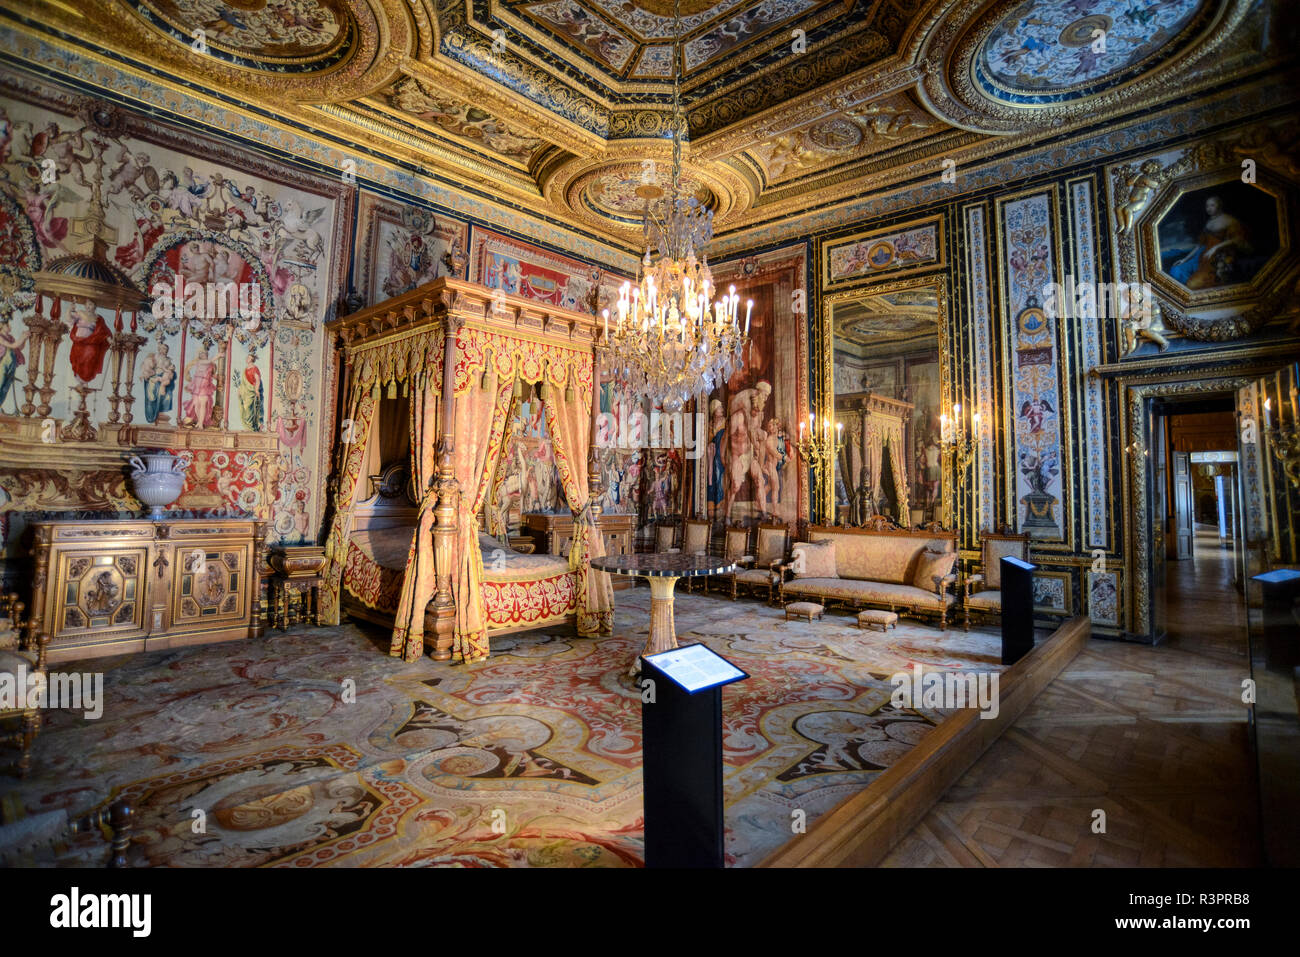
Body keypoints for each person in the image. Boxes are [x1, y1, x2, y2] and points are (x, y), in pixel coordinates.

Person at [67, 299, 111, 384]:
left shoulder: (98, 318)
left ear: (95, 306)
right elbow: (70, 320)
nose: (88, 306)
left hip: (91, 343)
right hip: (78, 343)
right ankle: (80, 382)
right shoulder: (80, 313)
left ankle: (85, 381)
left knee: (89, 361)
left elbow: (104, 331)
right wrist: (70, 309)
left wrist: (110, 340)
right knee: (78, 362)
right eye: (86, 304)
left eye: (90, 304)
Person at [182, 345, 220, 428]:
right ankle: (199, 421)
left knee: (203, 404)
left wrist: (216, 377)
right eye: (202, 354)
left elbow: (211, 374)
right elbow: (208, 362)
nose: (203, 355)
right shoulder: (200, 362)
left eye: (205, 353)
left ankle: (201, 423)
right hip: (197, 386)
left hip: (205, 386)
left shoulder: (211, 365)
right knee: (196, 404)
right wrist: (218, 355)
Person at [139, 341, 176, 424]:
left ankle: (160, 413)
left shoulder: (168, 359)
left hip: (163, 378)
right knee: (152, 397)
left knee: (166, 395)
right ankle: (152, 416)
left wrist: (168, 373)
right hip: (154, 378)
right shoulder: (155, 357)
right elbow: (149, 366)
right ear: (159, 349)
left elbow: (170, 370)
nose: (164, 350)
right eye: (162, 348)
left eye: (166, 349)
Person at [0, 319, 29, 413]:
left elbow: (18, 347)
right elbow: (12, 346)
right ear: (1, 325)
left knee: (6, 387)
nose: (10, 327)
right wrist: (22, 336)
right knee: (0, 385)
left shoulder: (10, 337)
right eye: (8, 325)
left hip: (11, 364)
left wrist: (24, 339)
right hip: (3, 364)